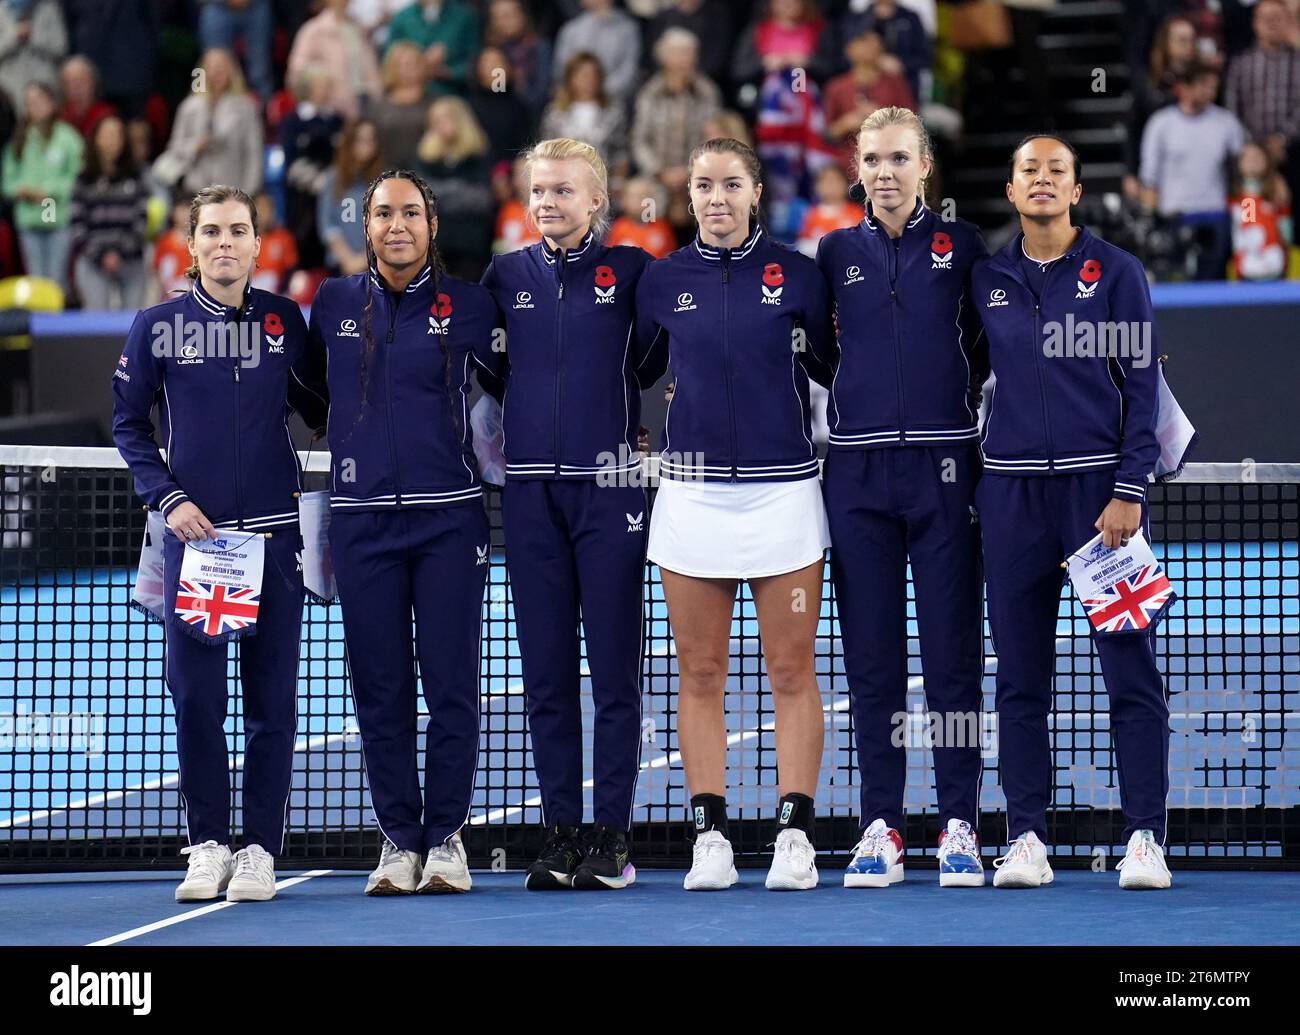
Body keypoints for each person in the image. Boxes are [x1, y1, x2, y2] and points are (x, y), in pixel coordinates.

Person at [112, 183, 327, 903]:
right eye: (212, 231)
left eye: (239, 229)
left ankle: (261, 849)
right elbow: (128, 425)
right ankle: (206, 845)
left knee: (274, 705)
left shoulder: (283, 321)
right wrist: (167, 498)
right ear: (192, 243)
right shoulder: (156, 326)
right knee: (198, 701)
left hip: (276, 545)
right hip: (198, 549)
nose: (225, 242)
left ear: (258, 244)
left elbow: (322, 408)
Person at [634, 137, 836, 892]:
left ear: (756, 193)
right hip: (691, 497)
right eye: (702, 186)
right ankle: (709, 831)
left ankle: (795, 831)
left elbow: (833, 368)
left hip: (784, 494)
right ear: (687, 196)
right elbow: (640, 369)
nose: (715, 199)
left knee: (791, 667)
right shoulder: (661, 279)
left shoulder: (803, 277)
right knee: (700, 671)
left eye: (730, 185)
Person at [971, 134, 1172, 891]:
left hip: (1101, 504)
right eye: (1030, 171)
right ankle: (1026, 835)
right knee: (1020, 679)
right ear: (1014, 190)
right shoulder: (986, 279)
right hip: (1011, 501)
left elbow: (1143, 385)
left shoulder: (1115, 273)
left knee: (1130, 672)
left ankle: (1145, 837)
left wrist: (1129, 489)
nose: (1044, 180)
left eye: (1057, 171)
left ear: (1076, 191)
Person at [305, 169, 500, 895]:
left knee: (451, 685)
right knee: (379, 688)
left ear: (432, 225)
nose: (396, 225)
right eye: (383, 213)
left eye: (410, 213)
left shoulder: (473, 305)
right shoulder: (330, 304)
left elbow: (515, 382)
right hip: (359, 526)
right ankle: (397, 841)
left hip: (451, 520)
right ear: (366, 225)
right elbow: (304, 389)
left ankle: (445, 837)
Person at [480, 137, 660, 891]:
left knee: (616, 674)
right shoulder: (504, 276)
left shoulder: (632, 272)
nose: (548, 202)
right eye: (539, 190)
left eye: (563, 190)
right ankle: (559, 833)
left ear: (596, 201)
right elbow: (492, 372)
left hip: (612, 494)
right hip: (529, 498)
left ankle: (611, 837)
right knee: (546, 675)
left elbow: (651, 361)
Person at [816, 106, 988, 889]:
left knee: (953, 661)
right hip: (855, 478)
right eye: (873, 160)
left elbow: (985, 349)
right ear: (857, 168)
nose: (885, 173)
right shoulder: (832, 252)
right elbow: (817, 352)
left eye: (899, 159)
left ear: (925, 168)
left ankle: (961, 825)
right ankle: (879, 826)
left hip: (948, 477)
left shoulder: (963, 248)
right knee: (872, 665)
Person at [1139, 64, 1245, 279]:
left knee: (1214, 287)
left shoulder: (1227, 123)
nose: (1210, 93)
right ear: (1183, 88)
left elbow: (1245, 171)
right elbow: (1149, 177)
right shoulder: (1161, 123)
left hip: (1215, 215)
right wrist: (1149, 224)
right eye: (1204, 86)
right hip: (1175, 216)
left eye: (1213, 87)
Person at [630, 28, 722, 215]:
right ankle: (649, 241)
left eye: (690, 54)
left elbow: (713, 140)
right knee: (640, 197)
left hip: (698, 175)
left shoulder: (707, 93)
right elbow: (639, 141)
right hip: (656, 175)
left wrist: (689, 170)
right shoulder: (650, 94)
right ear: (665, 58)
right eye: (680, 54)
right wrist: (659, 171)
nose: (686, 60)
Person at [2, 81, 83, 290]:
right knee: (35, 279)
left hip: (57, 214)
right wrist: (21, 189)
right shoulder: (20, 139)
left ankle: (56, 321)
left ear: (52, 103)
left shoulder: (67, 137)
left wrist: (49, 190)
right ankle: (38, 320)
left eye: (39, 101)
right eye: (29, 103)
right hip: (29, 217)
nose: (34, 107)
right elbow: (7, 180)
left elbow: (78, 175)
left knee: (56, 278)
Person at [153, 48, 263, 195]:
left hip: (232, 191)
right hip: (194, 190)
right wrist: (196, 147)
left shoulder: (245, 107)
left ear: (232, 71)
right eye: (211, 67)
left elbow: (253, 153)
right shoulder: (189, 106)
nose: (216, 73)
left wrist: (248, 194)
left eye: (221, 67)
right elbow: (175, 147)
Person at [71, 113, 149, 308]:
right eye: (106, 135)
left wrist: (120, 252)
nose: (112, 140)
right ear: (95, 139)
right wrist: (101, 255)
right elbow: (77, 224)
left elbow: (142, 220)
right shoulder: (84, 180)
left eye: (117, 135)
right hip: (93, 261)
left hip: (130, 259)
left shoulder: (136, 178)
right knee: (96, 323)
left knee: (134, 322)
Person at [415, 96, 494, 279]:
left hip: (472, 242)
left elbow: (481, 199)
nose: (439, 126)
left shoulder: (479, 154)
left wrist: (443, 192)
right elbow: (424, 197)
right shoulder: (425, 157)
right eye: (435, 121)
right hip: (437, 241)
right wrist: (459, 189)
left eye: (445, 119)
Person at [286, 0, 383, 121]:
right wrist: (322, 93)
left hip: (365, 101)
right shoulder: (313, 30)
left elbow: (371, 68)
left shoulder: (358, 28)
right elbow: (297, 71)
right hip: (332, 108)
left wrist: (376, 94)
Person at [539, 51, 629, 176]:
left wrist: (619, 182)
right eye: (583, 75)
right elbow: (546, 151)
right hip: (563, 180)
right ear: (571, 78)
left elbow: (620, 153)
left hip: (603, 181)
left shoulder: (614, 112)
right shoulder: (555, 113)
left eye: (594, 75)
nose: (589, 80)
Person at [318, 118, 384, 275]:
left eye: (371, 139)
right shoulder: (332, 179)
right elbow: (327, 225)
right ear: (349, 143)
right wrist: (348, 259)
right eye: (361, 140)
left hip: (376, 265)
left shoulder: (383, 180)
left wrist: (364, 259)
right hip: (340, 264)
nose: (368, 145)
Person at [552, 0, 642, 104]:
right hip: (575, 103)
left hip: (614, 102)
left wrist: (599, 94)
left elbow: (628, 72)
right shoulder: (570, 31)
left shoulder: (628, 30)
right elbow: (562, 71)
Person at [383, 0, 479, 97]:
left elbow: (475, 61)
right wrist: (421, 63)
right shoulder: (401, 18)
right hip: (408, 96)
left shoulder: (463, 16)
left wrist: (448, 72)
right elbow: (388, 62)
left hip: (452, 93)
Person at [370, 40, 429, 169]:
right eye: (401, 64)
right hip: (386, 174)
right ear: (391, 68)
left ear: (423, 66)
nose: (408, 69)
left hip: (429, 177)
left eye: (413, 63)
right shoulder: (378, 106)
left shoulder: (437, 103)